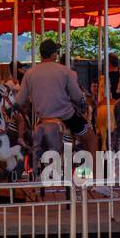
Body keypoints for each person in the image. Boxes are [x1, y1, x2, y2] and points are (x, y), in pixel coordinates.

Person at [14, 39, 91, 175]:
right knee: (91, 139)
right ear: (54, 55)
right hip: (66, 116)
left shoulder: (29, 73)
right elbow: (77, 96)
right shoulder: (65, 71)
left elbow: (19, 100)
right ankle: (91, 177)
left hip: (42, 119)